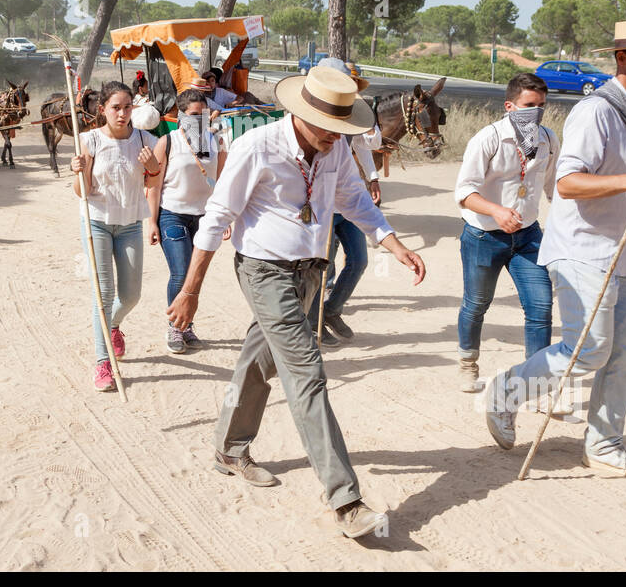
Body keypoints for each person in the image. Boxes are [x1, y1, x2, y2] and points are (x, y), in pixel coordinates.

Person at [166, 66, 426, 540]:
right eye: (328, 127)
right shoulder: (257, 147)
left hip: (310, 271)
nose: (335, 136)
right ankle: (345, 499)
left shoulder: (337, 149)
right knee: (306, 371)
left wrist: (394, 243)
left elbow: (355, 201)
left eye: (343, 128)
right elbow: (217, 217)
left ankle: (228, 447)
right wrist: (190, 289)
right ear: (300, 113)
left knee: (258, 360)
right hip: (263, 271)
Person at [485, 19, 626, 483]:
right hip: (582, 251)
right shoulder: (596, 112)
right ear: (621, 59)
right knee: (588, 350)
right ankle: (506, 390)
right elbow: (568, 182)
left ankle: (604, 446)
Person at [454, 72, 559, 402]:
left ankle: (536, 383)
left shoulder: (548, 140)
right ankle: (468, 362)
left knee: (540, 308)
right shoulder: (487, 139)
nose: (536, 113)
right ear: (510, 106)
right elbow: (464, 192)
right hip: (484, 237)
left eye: (542, 106)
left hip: (528, 237)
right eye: (529, 106)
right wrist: (497, 211)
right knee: (476, 305)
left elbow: (556, 188)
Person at [69, 80, 161, 392]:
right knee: (104, 294)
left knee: (132, 294)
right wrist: (78, 171)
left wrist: (152, 168)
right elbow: (81, 192)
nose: (122, 114)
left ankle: (113, 325)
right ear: (103, 110)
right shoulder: (90, 140)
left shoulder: (145, 139)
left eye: (127, 107)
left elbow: (155, 179)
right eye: (115, 108)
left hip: (130, 224)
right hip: (96, 222)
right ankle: (103, 362)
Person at [305, 58, 382, 344]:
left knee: (359, 260)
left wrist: (373, 177)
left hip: (347, 203)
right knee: (320, 267)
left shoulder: (354, 114)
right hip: (322, 204)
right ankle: (314, 321)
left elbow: (365, 147)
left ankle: (333, 310)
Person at [148, 89, 227, 353]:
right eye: (193, 115)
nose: (199, 119)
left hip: (204, 218)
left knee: (194, 277)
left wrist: (225, 217)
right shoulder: (168, 142)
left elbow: (223, 182)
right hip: (173, 213)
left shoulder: (217, 142)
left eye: (204, 114)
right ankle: (175, 327)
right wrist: (152, 222)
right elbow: (154, 186)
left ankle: (187, 324)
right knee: (181, 273)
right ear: (180, 115)